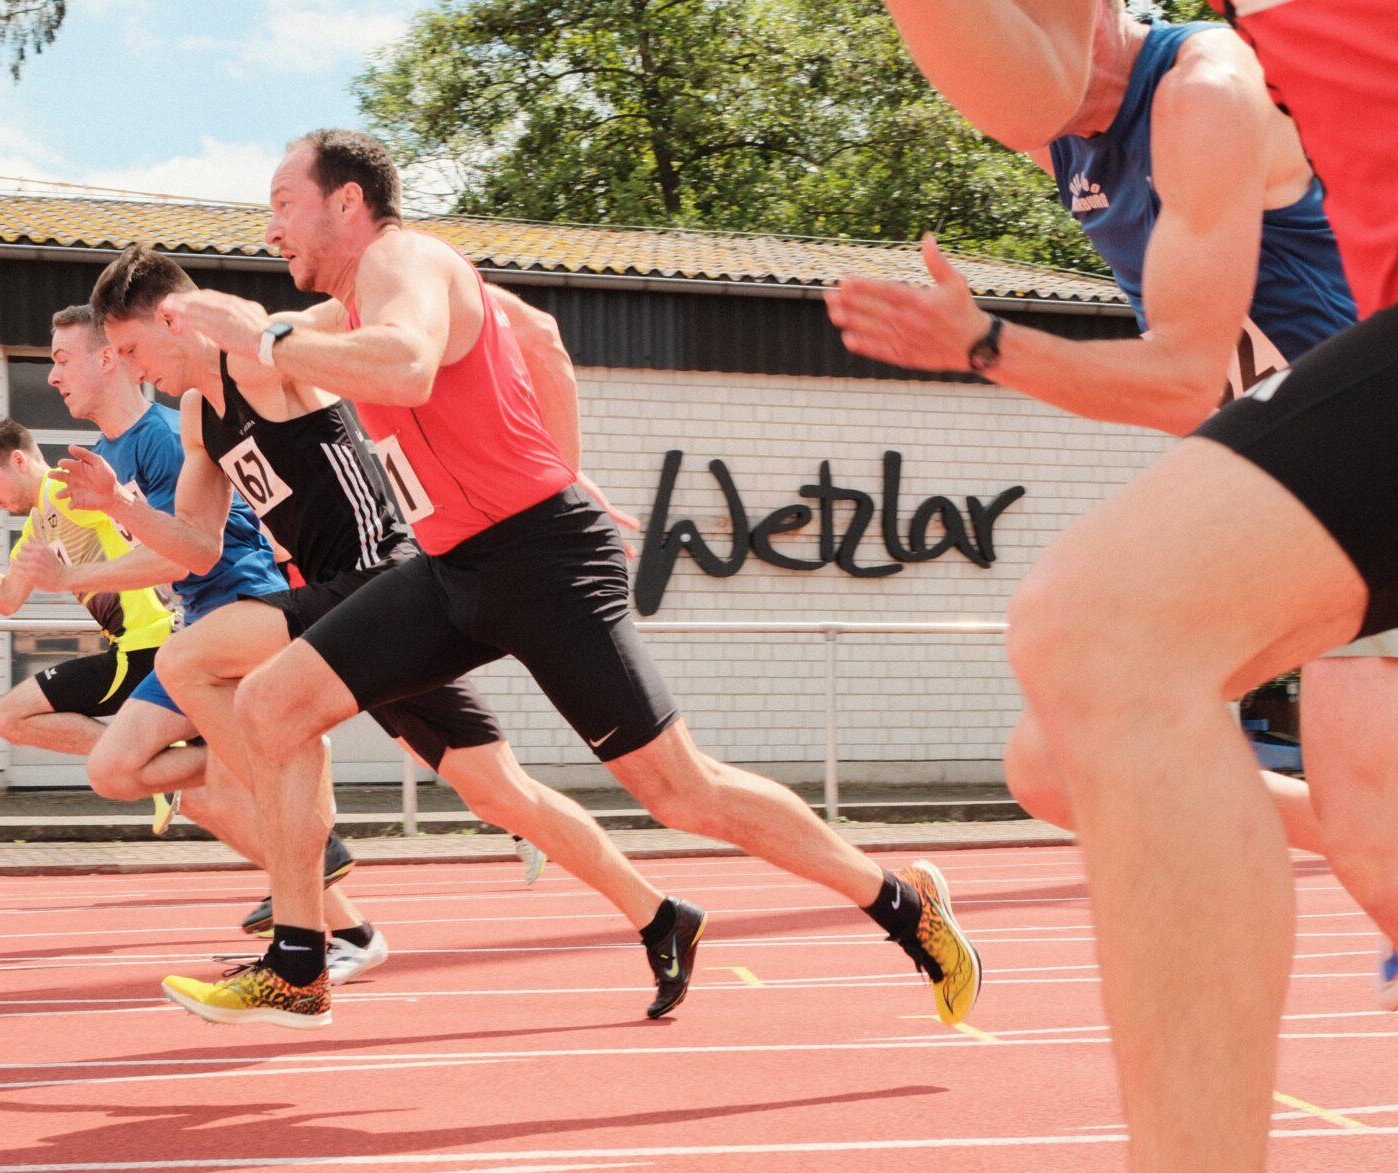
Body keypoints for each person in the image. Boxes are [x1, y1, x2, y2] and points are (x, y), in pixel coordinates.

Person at [869, 1, 1398, 1173]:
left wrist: (985, 346)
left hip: (1360, 442)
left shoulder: (1206, 87)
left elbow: (1187, 369)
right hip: (1324, 452)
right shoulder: (1084, 137)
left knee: (1324, 800)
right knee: (1059, 749)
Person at [138, 128, 981, 1032]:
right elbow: (537, 334)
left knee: (678, 790)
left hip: (541, 559)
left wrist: (269, 338)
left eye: (282, 204)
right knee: (270, 705)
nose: (271, 230)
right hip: (455, 564)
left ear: (347, 203)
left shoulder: (405, 258)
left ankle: (901, 901)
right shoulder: (345, 308)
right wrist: (557, 461)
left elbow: (410, 367)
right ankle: (299, 966)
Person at [60, 242, 711, 1022]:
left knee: (195, 659)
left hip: (384, 580)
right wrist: (120, 509)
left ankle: (301, 850)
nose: (133, 370)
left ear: (174, 316)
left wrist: (553, 470)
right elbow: (196, 545)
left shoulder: (269, 352)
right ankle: (659, 913)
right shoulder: (202, 418)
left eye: (132, 349)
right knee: (498, 790)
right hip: (340, 607)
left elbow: (377, 318)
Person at [18, 306, 376, 960]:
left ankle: (316, 887)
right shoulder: (104, 454)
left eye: (62, 359)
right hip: (196, 618)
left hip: (239, 602)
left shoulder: (158, 434)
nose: (51, 377)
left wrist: (76, 577)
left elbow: (194, 552)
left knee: (165, 775)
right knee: (133, 775)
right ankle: (337, 907)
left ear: (108, 359)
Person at [0, 418, 175, 834]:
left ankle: (156, 764)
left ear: (18, 460)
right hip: (135, 649)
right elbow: (7, 597)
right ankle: (162, 762)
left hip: (148, 646)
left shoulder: (65, 492)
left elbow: (142, 529)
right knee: (10, 718)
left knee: (10, 717)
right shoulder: (39, 522)